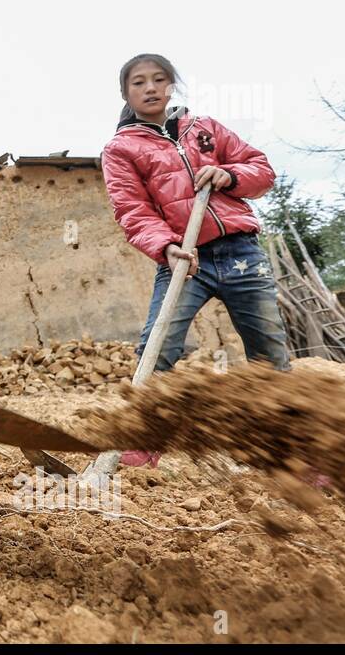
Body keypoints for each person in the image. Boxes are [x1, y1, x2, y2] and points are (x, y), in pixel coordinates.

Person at [101, 53, 290, 468]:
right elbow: (132, 210)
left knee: (269, 348)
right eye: (138, 82)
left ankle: (285, 448)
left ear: (172, 85)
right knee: (159, 343)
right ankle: (144, 438)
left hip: (241, 252)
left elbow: (262, 169)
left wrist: (230, 175)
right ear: (125, 93)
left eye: (159, 79)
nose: (150, 88)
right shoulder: (121, 149)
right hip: (185, 259)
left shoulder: (206, 129)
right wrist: (165, 246)